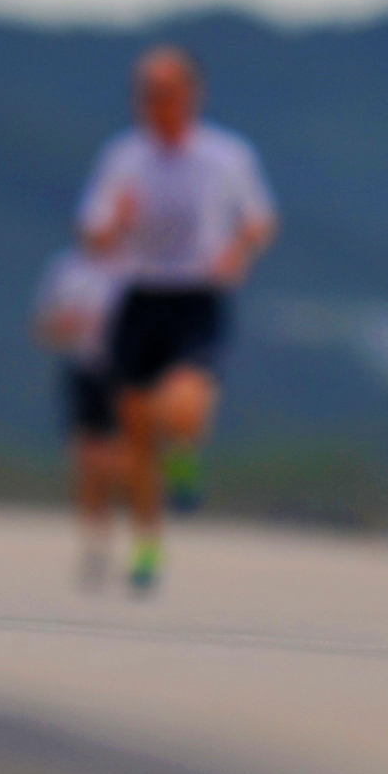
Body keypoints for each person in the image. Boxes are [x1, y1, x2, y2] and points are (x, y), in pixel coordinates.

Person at [78, 45, 277, 595]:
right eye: (146, 95)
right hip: (141, 299)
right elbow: (92, 235)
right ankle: (148, 543)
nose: (155, 105)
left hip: (197, 299)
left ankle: (185, 455)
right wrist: (113, 226)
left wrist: (237, 252)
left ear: (191, 95)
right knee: (138, 435)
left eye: (166, 94)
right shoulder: (123, 156)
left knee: (181, 409)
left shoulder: (227, 156)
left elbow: (260, 219)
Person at [32, 239, 128, 588]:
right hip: (85, 370)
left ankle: (141, 525)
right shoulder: (69, 267)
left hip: (130, 374)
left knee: (121, 462)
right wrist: (65, 325)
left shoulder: (142, 262)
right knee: (88, 461)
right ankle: (96, 543)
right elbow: (44, 328)